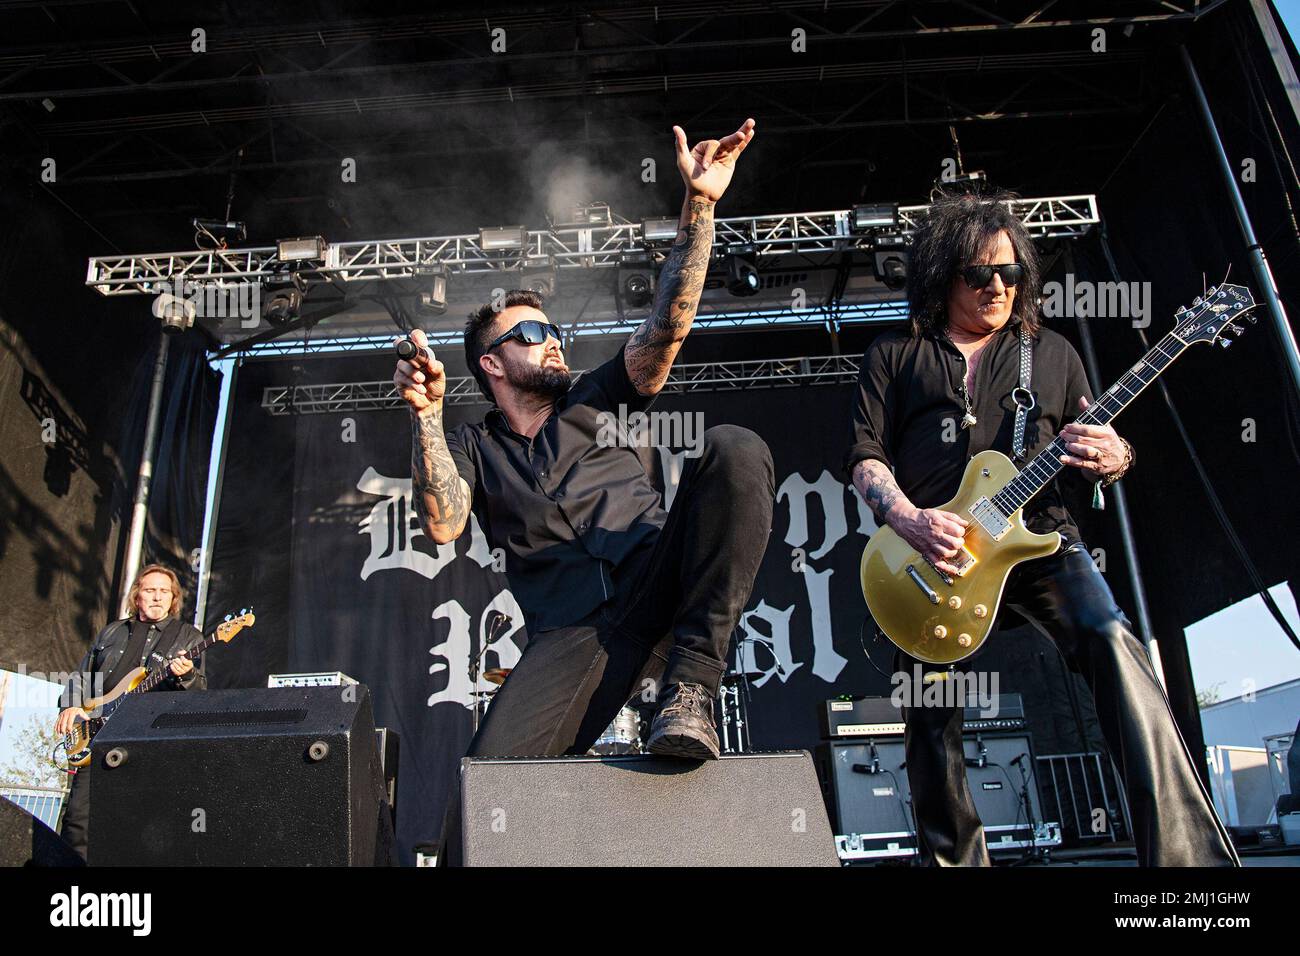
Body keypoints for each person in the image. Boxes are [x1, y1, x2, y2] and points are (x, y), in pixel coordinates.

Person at [394, 119, 774, 865]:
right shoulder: (473, 444)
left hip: (654, 582)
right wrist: (427, 416)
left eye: (552, 326)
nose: (552, 337)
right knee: (481, 806)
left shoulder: (598, 396)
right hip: (573, 638)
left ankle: (692, 684)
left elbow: (668, 327)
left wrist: (699, 206)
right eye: (531, 332)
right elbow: (443, 524)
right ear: (492, 365)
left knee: (735, 448)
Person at [845, 190, 1239, 866]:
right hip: (935, 557)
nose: (996, 286)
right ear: (944, 277)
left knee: (1112, 642)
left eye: (1011, 274)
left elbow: (1099, 452)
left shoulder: (1048, 353)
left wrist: (1117, 457)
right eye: (978, 274)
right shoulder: (893, 355)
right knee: (931, 713)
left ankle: (1187, 869)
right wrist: (908, 518)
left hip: (1042, 540)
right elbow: (864, 456)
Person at [54, 564, 206, 861]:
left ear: (173, 598)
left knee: (140, 823)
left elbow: (198, 695)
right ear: (138, 596)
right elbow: (84, 675)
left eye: (165, 592)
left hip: (148, 741)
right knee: (78, 820)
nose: (157, 597)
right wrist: (71, 705)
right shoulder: (112, 631)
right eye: (150, 590)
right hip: (98, 735)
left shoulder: (188, 636)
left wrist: (186, 675)